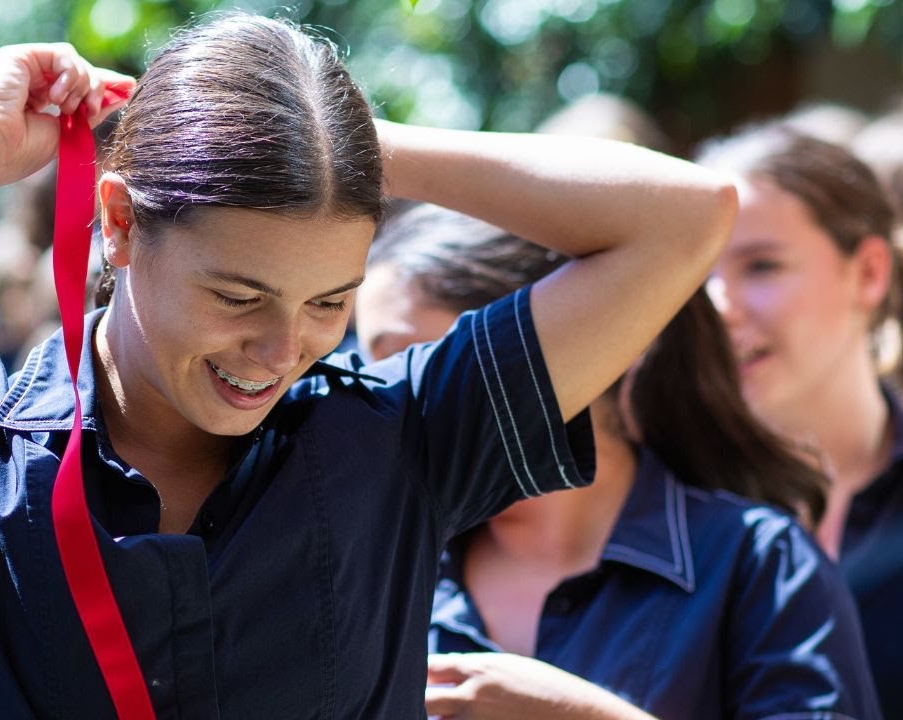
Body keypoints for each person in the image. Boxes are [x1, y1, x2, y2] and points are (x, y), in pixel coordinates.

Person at [0, 14, 736, 718]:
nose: (279, 350)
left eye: (330, 302)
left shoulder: (405, 439)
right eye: (237, 296)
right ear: (117, 225)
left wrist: (349, 144)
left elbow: (684, 217)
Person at [355, 203, 879, 720]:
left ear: (561, 349)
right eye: (375, 375)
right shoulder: (374, 574)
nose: (391, 402)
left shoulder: (757, 562)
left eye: (420, 364)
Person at [700, 123, 903, 718]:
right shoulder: (663, 506)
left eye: (761, 266)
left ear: (869, 273)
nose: (718, 307)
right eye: (699, 272)